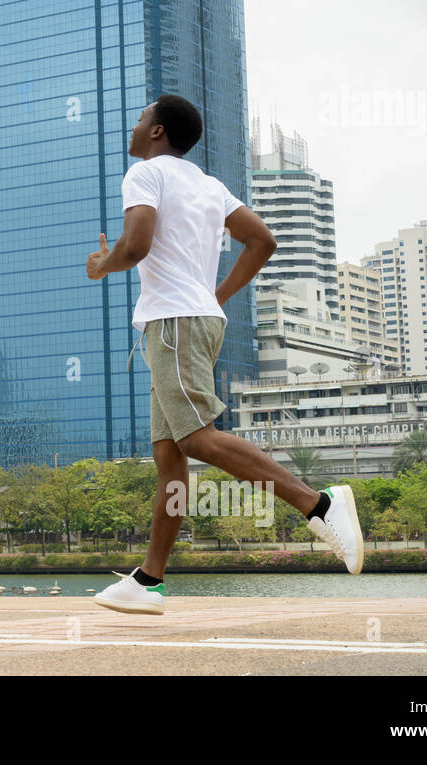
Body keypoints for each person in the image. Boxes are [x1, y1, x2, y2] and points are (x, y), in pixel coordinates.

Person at [84, 94, 363, 615]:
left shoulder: (145, 174)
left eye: (142, 117)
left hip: (174, 323)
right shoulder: (209, 187)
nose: (135, 123)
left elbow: (137, 244)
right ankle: (149, 580)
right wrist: (217, 295)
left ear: (157, 131)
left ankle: (319, 505)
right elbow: (262, 241)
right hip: (193, 320)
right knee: (170, 456)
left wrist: (102, 264)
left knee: (195, 438)